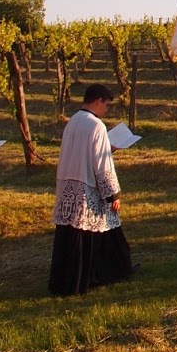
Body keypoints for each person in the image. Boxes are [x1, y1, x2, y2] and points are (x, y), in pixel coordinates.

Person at [49, 84, 135, 296]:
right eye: (106, 104)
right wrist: (112, 193)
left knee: (71, 235)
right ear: (98, 101)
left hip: (69, 184)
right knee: (95, 230)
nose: (106, 109)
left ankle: (66, 281)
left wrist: (108, 147)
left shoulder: (73, 121)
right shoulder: (96, 126)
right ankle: (100, 274)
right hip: (87, 187)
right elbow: (101, 163)